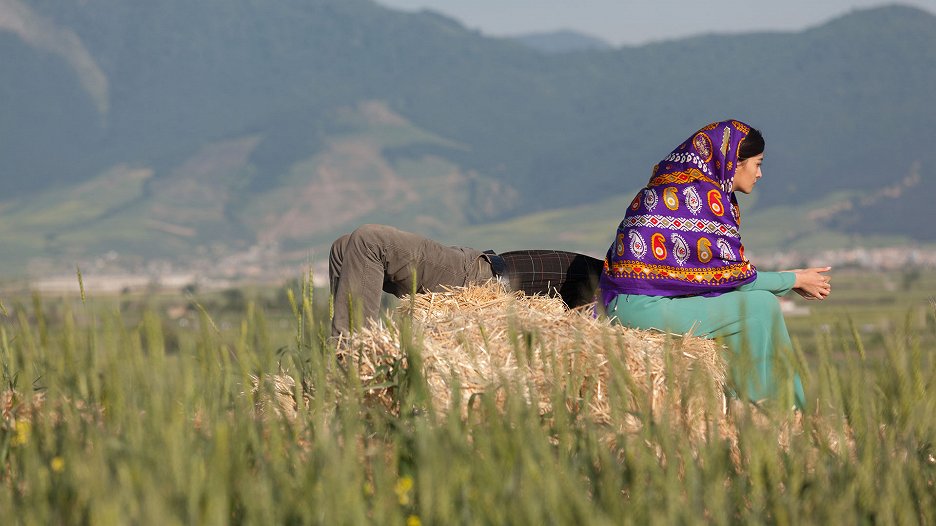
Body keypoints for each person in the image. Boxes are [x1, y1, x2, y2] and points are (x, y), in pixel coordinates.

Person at [599, 120, 831, 409]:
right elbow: (737, 281)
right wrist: (794, 279)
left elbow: (721, 277)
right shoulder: (697, 198)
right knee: (759, 306)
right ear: (734, 162)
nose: (760, 174)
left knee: (760, 306)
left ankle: (781, 408)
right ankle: (766, 408)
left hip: (634, 304)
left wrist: (789, 278)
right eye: (757, 164)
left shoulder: (677, 189)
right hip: (640, 309)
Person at [329, 224, 603, 339]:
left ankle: (352, 359)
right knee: (344, 247)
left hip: (476, 279)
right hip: (481, 264)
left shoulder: (612, 293)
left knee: (369, 240)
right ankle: (349, 352)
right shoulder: (612, 275)